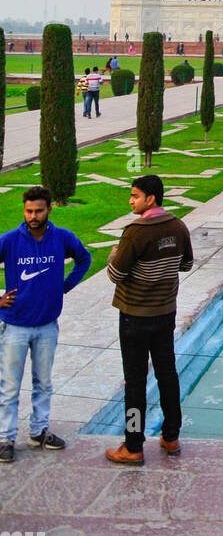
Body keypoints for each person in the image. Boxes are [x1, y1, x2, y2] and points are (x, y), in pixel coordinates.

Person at [105, 175, 193, 465]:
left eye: (135, 196)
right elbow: (186, 264)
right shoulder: (178, 227)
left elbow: (116, 275)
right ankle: (171, 436)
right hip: (165, 314)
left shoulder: (136, 232)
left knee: (135, 381)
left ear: (150, 199)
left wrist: (113, 255)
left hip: (135, 317)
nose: (131, 200)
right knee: (167, 375)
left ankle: (133, 445)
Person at [0, 186, 92, 461]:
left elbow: (84, 258)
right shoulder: (10, 240)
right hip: (15, 325)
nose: (33, 216)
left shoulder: (62, 238)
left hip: (47, 326)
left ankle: (39, 430)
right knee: (10, 386)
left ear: (49, 209)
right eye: (29, 211)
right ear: (24, 210)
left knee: (43, 382)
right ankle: (6, 438)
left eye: (39, 210)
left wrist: (64, 287)